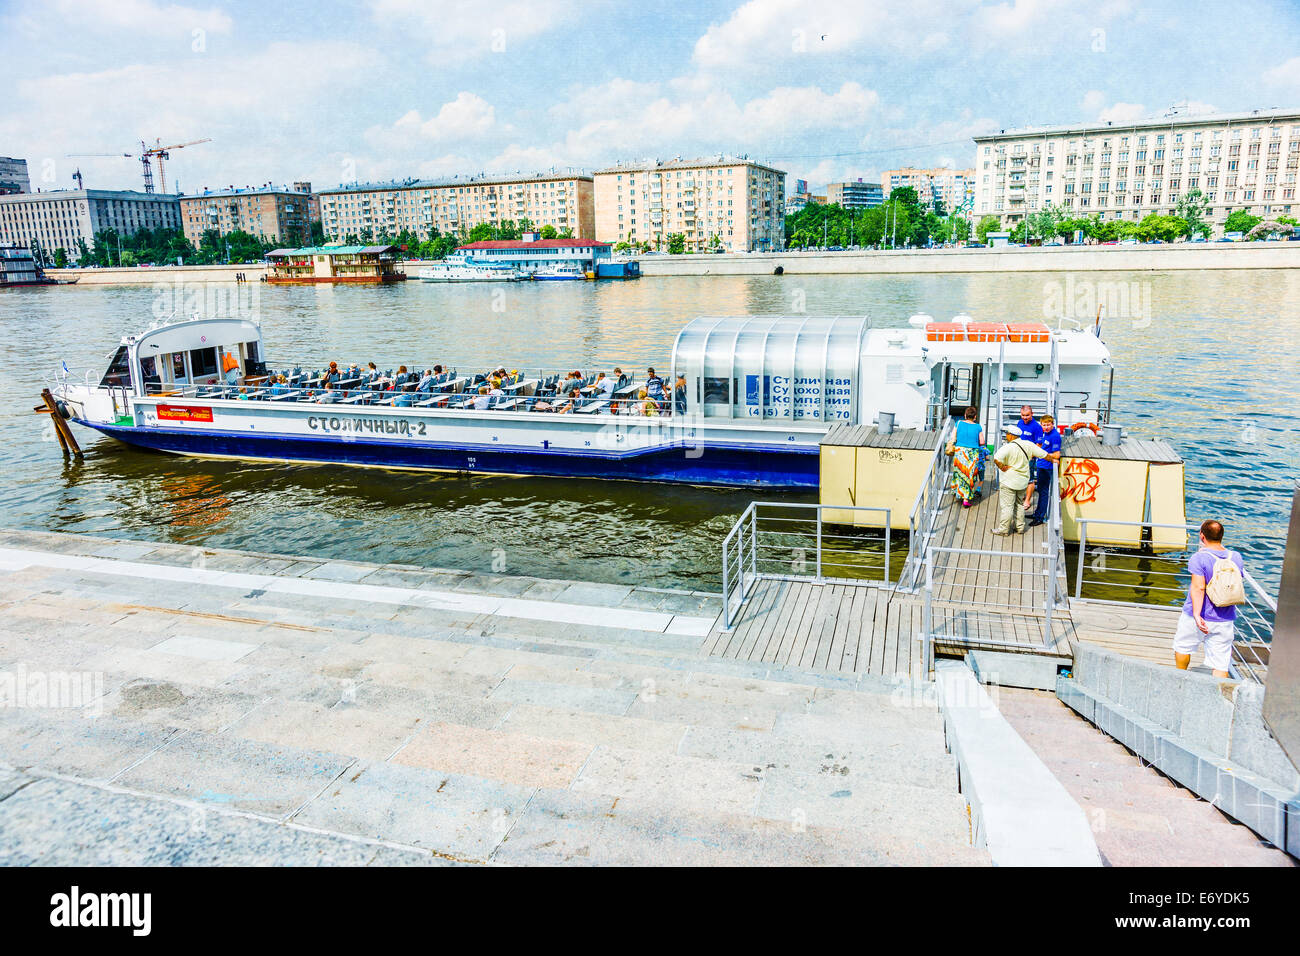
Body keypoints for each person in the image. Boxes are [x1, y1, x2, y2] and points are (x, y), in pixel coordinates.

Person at [1173, 520, 1245, 678]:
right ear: (1221, 536)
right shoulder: (1236, 557)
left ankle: (1179, 678)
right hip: (1225, 617)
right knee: (1220, 663)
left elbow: (1198, 588)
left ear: (1202, 536)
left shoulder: (1199, 558)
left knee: (1183, 647)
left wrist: (1197, 615)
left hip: (1197, 615)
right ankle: (1219, 695)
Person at [991, 424, 1058, 535]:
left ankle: (1003, 529)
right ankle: (1020, 527)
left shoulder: (1007, 447)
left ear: (1012, 436)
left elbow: (996, 458)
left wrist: (1002, 467)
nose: (1006, 436)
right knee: (1019, 504)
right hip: (1022, 481)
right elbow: (1044, 454)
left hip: (1008, 481)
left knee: (1007, 506)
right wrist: (1053, 461)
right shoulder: (1028, 444)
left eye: (1007, 434)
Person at [1027, 414, 1063, 527]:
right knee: (1041, 490)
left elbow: (1057, 454)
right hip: (1041, 465)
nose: (1046, 427)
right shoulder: (1045, 433)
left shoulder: (1055, 436)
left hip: (1047, 468)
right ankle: (1037, 513)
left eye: (1048, 425)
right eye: (1044, 425)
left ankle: (1040, 517)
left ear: (1052, 424)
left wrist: (1043, 455)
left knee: (1043, 493)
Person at [950, 406, 985, 507]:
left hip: (960, 451)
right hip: (972, 452)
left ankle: (957, 492)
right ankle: (966, 499)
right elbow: (982, 442)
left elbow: (953, 437)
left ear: (965, 415)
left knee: (959, 472)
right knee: (970, 474)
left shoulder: (959, 423)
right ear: (975, 417)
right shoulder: (978, 427)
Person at [1016, 405, 1045, 512]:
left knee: (1030, 480)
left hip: (1029, 458)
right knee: (1019, 477)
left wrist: (1031, 455)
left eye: (1027, 415)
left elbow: (1039, 444)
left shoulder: (1037, 427)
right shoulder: (1019, 423)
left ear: (1032, 414)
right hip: (1019, 456)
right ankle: (1022, 496)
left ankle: (1027, 500)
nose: (1025, 417)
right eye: (1023, 415)